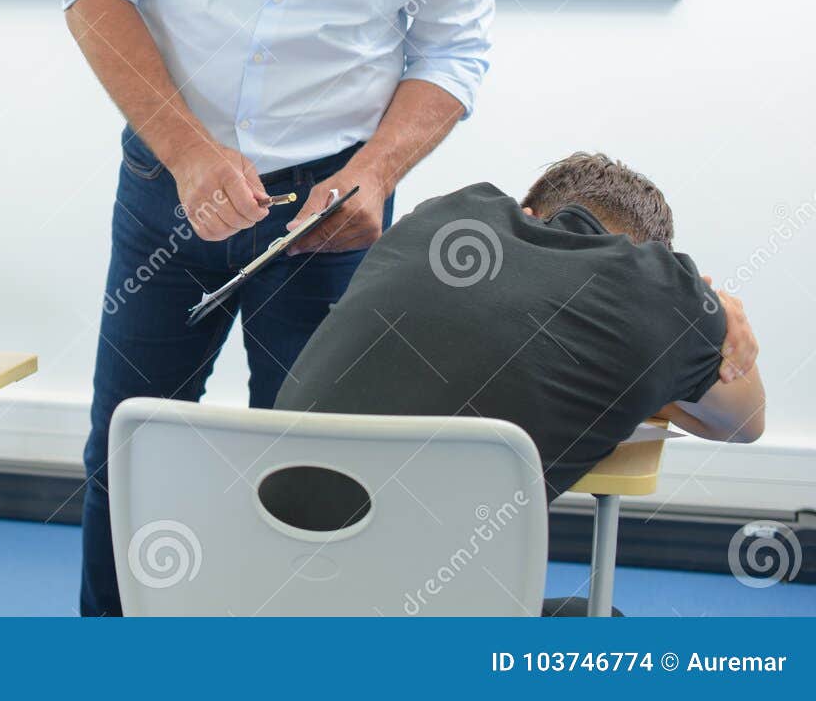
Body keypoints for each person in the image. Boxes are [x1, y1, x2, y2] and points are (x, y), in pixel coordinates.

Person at [62, 0, 497, 615]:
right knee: (126, 448)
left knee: (316, 480)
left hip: (331, 207)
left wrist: (376, 173)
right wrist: (185, 150)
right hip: (167, 178)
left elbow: (452, 52)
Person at [275, 152, 765, 503]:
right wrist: (706, 318)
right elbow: (746, 422)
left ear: (528, 214)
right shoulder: (660, 294)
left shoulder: (442, 217)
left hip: (264, 575)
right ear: (647, 253)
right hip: (434, 619)